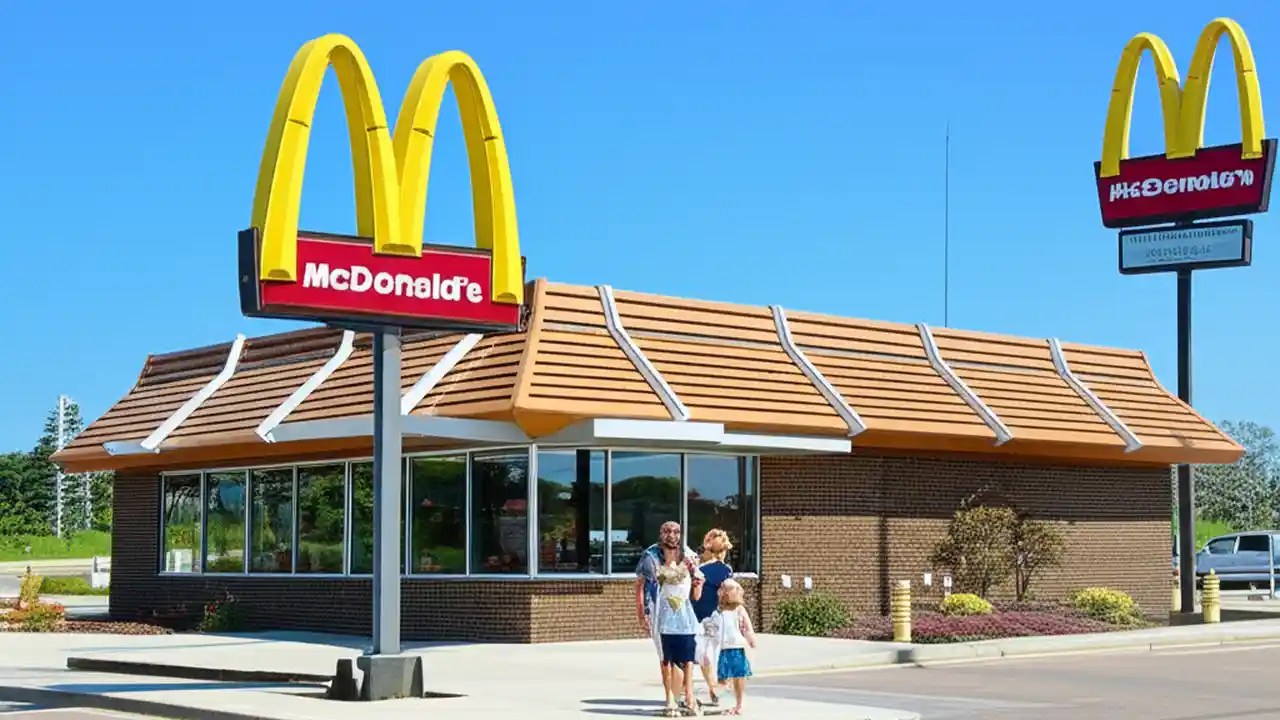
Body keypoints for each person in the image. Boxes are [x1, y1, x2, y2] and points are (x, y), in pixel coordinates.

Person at [635, 521, 703, 717]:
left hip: (684, 615)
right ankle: (671, 699)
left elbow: (696, 589)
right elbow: (640, 585)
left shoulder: (688, 556)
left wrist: (698, 584)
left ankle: (687, 696)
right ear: (660, 533)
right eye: (666, 531)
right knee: (666, 657)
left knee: (688, 657)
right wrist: (642, 613)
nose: (671, 535)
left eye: (675, 532)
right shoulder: (650, 556)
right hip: (660, 612)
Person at [701, 578, 757, 716]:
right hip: (723, 649)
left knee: (739, 676)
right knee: (723, 678)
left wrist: (751, 638)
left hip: (737, 647)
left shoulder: (739, 610)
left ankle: (739, 704)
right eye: (723, 589)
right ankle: (718, 693)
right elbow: (711, 629)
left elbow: (747, 627)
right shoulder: (718, 612)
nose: (725, 593)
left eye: (728, 589)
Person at [692, 529, 734, 706]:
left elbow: (694, 596)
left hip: (701, 616)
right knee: (721, 652)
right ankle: (721, 687)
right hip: (722, 616)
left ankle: (712, 686)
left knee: (705, 654)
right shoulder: (727, 570)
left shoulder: (699, 570)